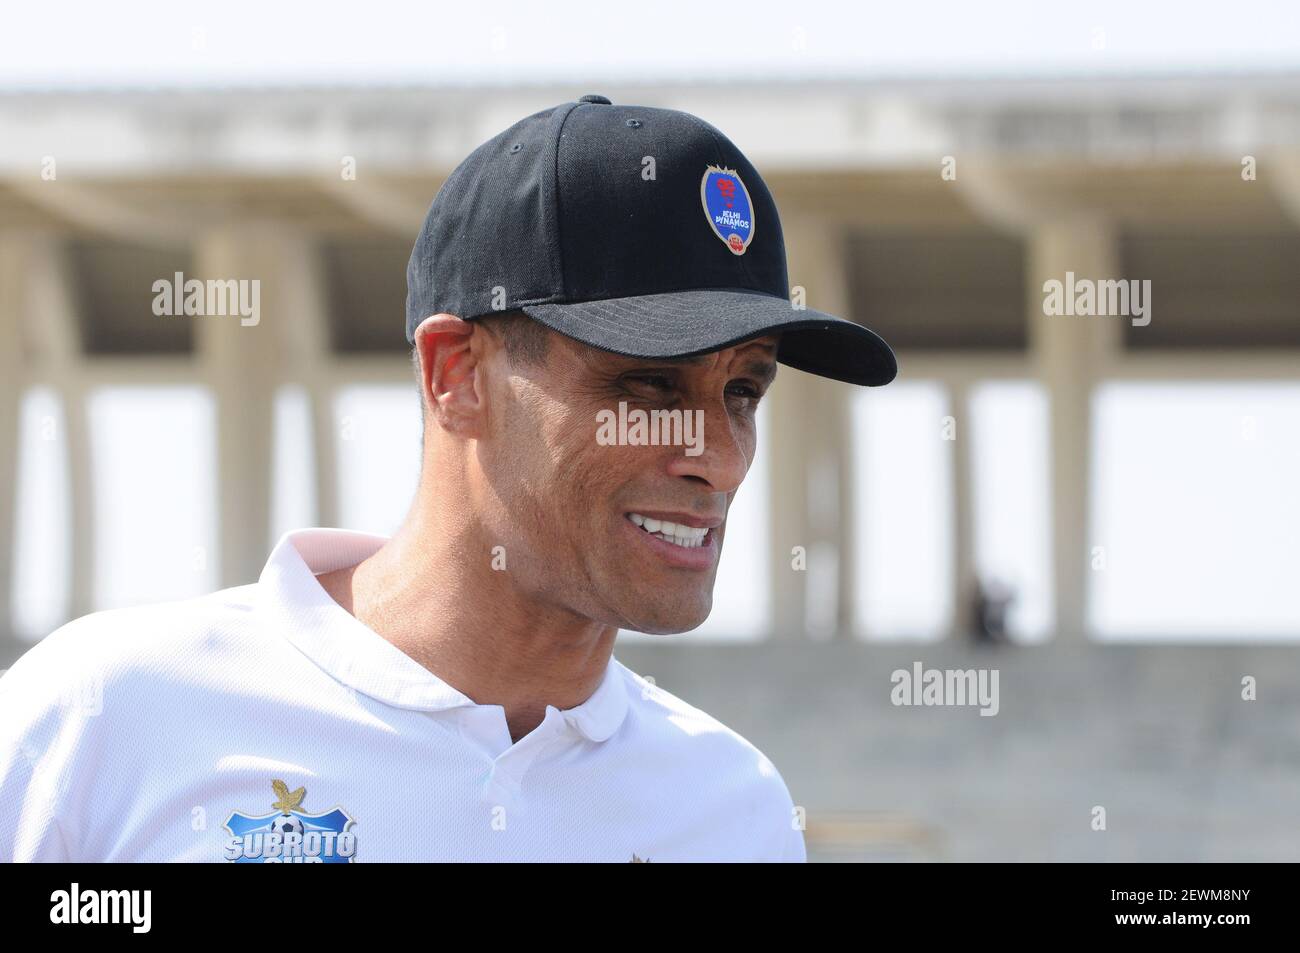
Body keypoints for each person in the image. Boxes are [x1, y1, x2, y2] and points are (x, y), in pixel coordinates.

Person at [0, 94, 895, 862]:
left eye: (742, 391)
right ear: (455, 375)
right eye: (648, 381)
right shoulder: (102, 715)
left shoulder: (729, 808)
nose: (718, 454)